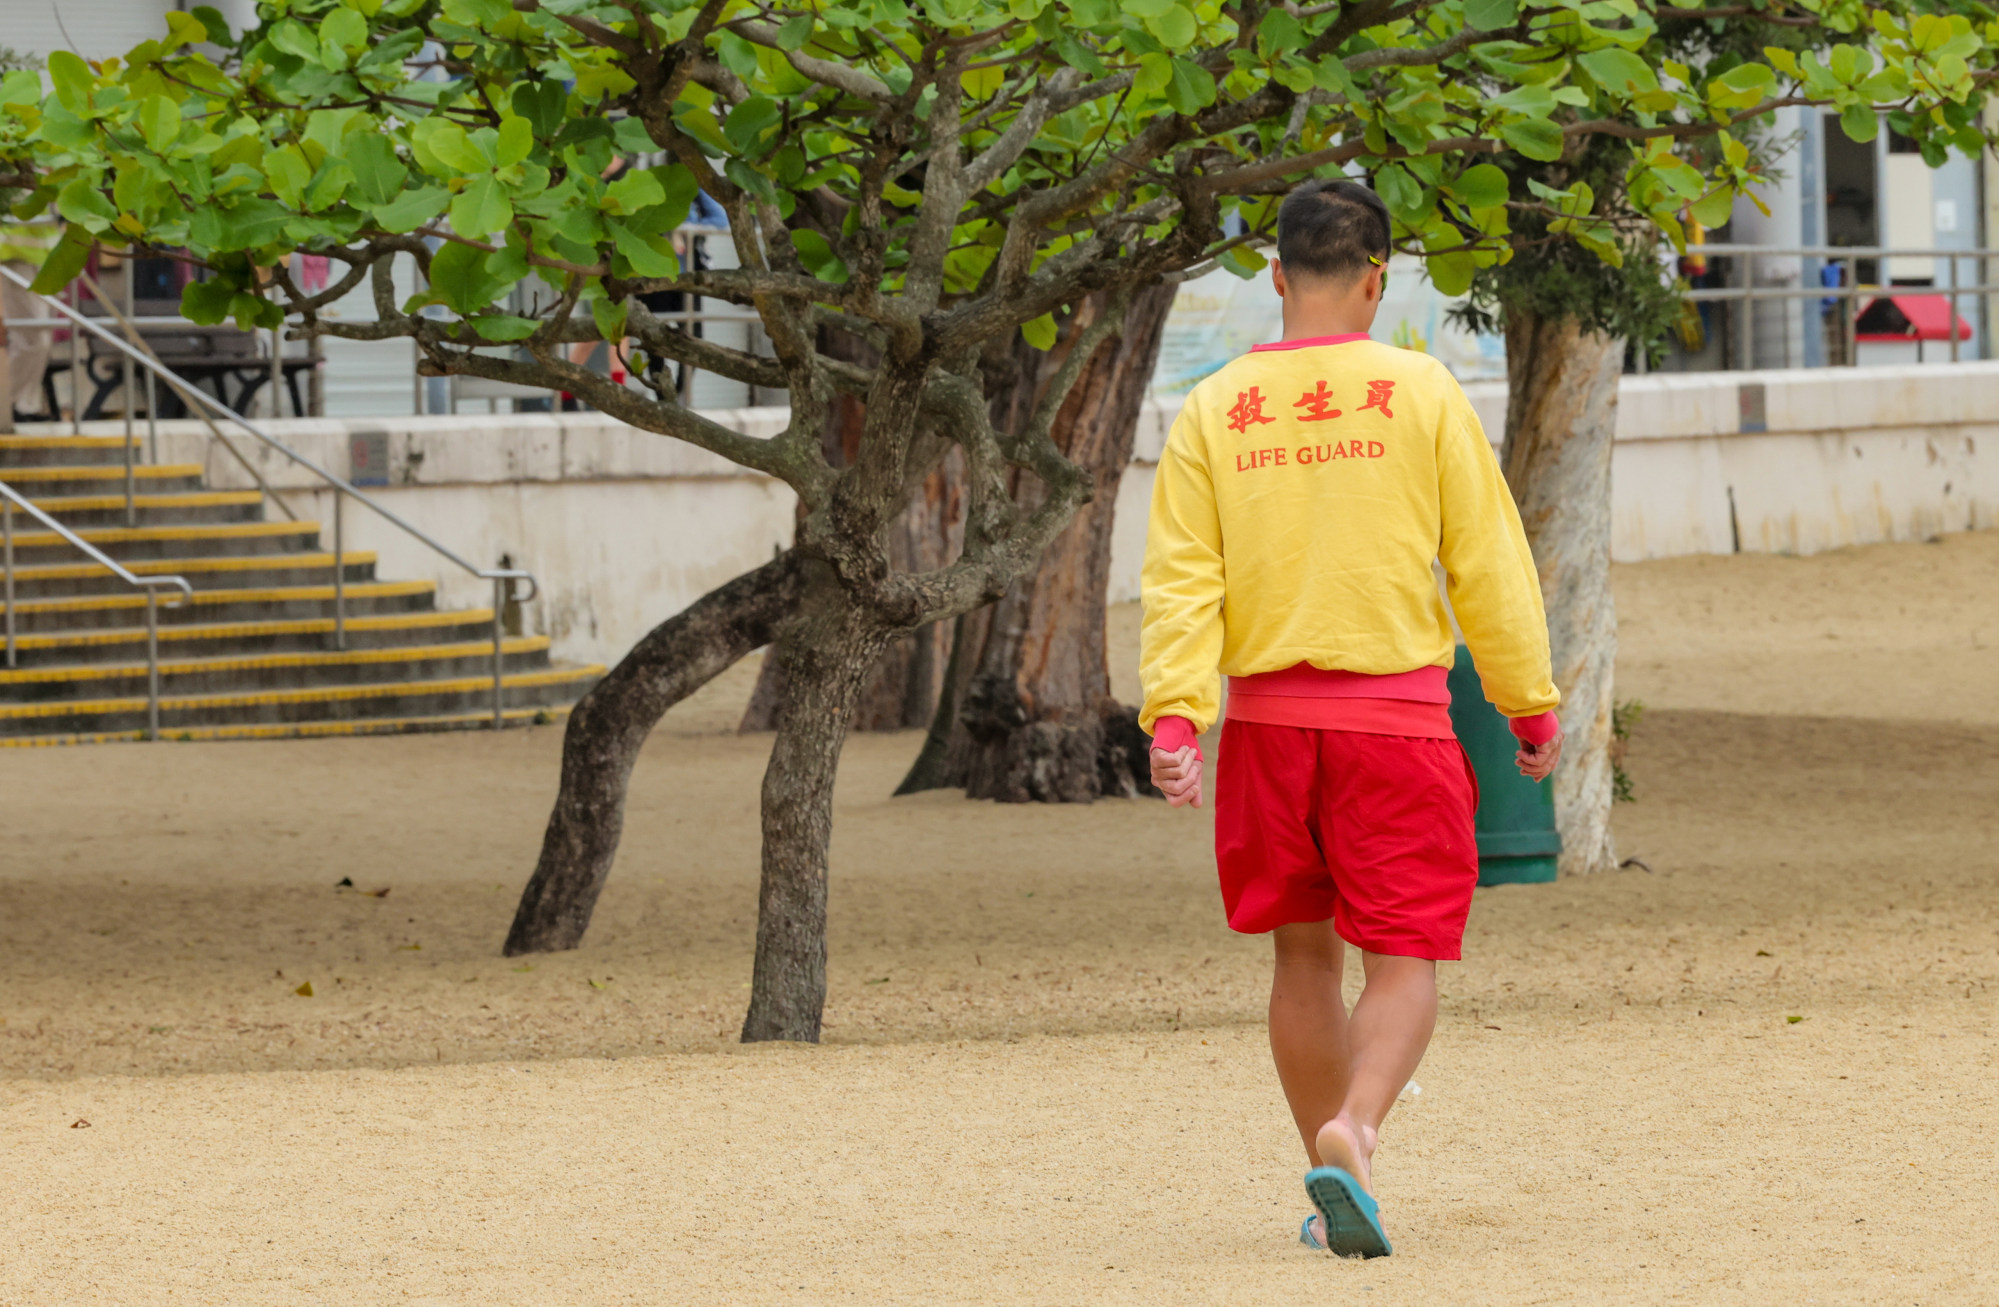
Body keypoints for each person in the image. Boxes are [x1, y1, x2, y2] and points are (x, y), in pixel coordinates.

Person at [1138, 179, 1562, 1259]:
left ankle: (1334, 1168)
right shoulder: (1419, 391)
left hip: (1270, 732)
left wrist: (1177, 721)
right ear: (1377, 281)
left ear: (1276, 275)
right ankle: (1356, 1126)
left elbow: (1182, 580)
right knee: (1405, 959)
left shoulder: (1212, 406)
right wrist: (1526, 702)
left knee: (1302, 961)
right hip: (1398, 725)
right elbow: (1487, 563)